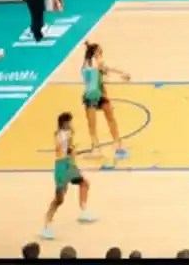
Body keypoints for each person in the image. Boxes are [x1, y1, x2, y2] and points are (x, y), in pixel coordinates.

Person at [42, 112, 96, 240]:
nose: (71, 124)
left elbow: (70, 150)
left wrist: (73, 155)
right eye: (69, 122)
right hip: (61, 168)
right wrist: (73, 152)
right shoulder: (60, 135)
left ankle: (83, 211)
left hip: (69, 165)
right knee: (59, 200)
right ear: (64, 123)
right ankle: (46, 226)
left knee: (84, 184)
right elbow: (64, 150)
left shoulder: (69, 133)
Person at [80, 42, 132, 164]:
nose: (101, 53)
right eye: (99, 51)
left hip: (96, 95)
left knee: (99, 123)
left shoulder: (88, 65)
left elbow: (103, 72)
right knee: (106, 121)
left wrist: (117, 74)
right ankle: (113, 145)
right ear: (94, 53)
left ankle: (106, 145)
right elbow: (106, 69)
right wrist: (122, 74)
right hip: (94, 95)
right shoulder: (94, 64)